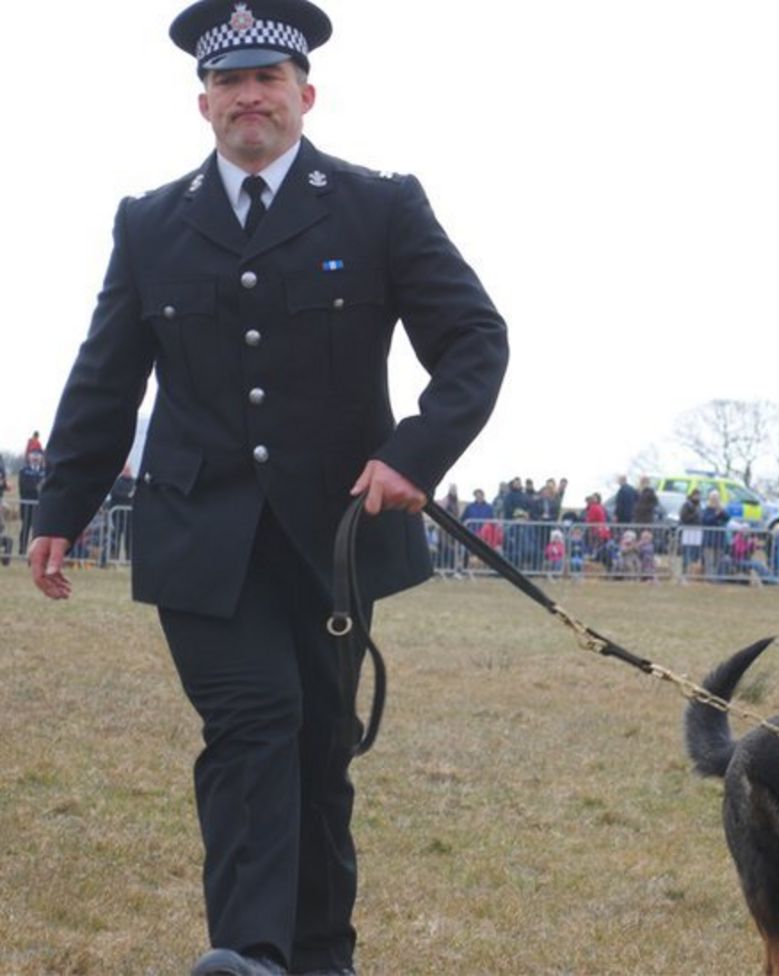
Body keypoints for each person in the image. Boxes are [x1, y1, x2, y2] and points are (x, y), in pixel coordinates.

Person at [28, 4, 508, 975]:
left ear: (305, 94)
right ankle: (247, 954)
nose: (249, 97)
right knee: (254, 721)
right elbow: (106, 375)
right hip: (199, 536)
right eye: (229, 83)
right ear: (202, 102)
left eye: (269, 78)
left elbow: (473, 341)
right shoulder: (151, 222)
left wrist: (415, 454)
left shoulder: (380, 206)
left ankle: (319, 957)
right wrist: (60, 510)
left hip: (336, 534)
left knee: (320, 747)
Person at [17, 451, 45, 555]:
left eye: (38, 455)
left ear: (42, 458)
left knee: (37, 528)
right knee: (25, 527)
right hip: (26, 504)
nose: (35, 458)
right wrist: (37, 488)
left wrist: (38, 489)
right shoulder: (23, 471)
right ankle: (22, 549)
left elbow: (46, 487)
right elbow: (24, 487)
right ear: (29, 457)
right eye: (33, 455)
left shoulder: (45, 472)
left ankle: (35, 551)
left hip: (40, 505)